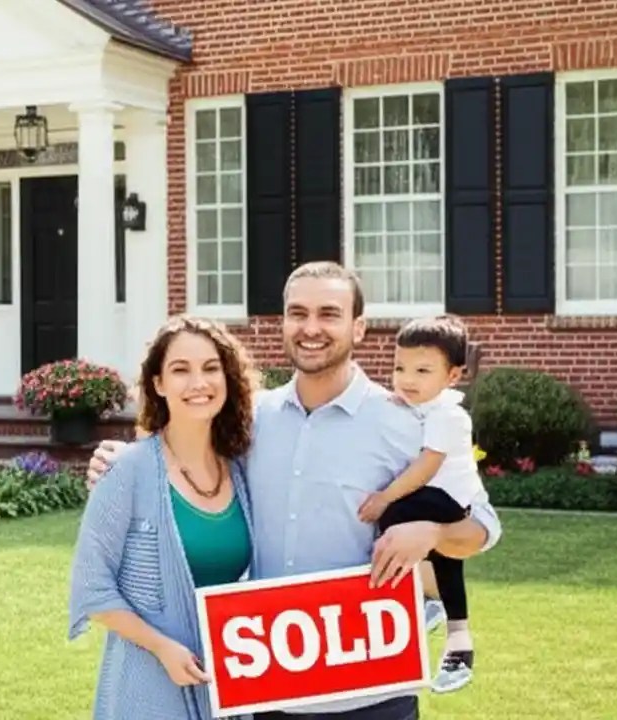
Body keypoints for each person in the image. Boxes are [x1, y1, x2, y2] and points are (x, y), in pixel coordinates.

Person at [87, 261, 502, 720]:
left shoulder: (407, 424)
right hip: (267, 690)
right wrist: (120, 462)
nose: (311, 328)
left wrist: (433, 535)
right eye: (297, 313)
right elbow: (185, 462)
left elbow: (483, 527)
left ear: (358, 328)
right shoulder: (249, 421)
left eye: (329, 314)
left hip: (373, 693)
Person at [68, 315, 262, 720]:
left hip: (229, 682)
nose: (199, 383)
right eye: (180, 370)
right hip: (148, 683)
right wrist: (161, 647)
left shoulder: (241, 470)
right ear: (158, 384)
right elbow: (92, 587)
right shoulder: (126, 472)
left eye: (211, 368)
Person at [356, 315, 486, 693]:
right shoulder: (418, 406)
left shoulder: (448, 415)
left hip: (448, 500)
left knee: (397, 519)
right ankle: (441, 615)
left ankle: (437, 609)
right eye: (399, 368)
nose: (407, 379)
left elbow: (427, 467)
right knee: (441, 560)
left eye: (422, 370)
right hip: (433, 501)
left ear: (452, 376)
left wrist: (384, 498)